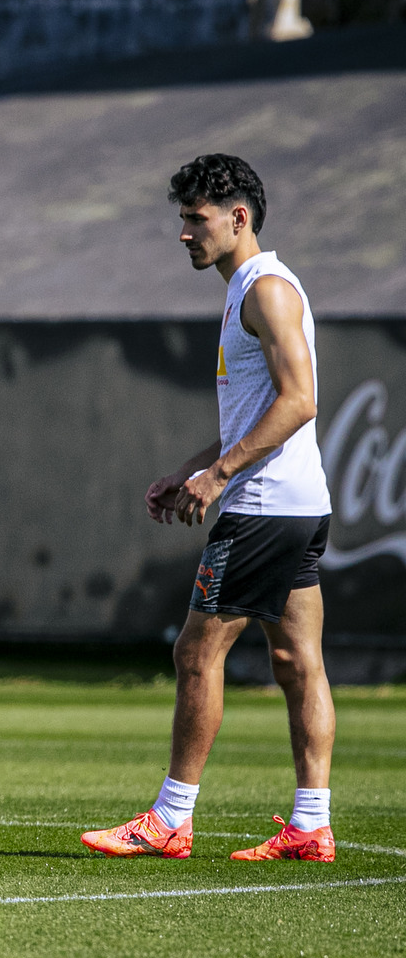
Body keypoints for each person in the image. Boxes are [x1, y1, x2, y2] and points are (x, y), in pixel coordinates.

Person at [84, 154, 336, 863]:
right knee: (296, 659)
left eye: (196, 220)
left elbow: (300, 401)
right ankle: (311, 826)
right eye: (183, 220)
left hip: (262, 508)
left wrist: (220, 475)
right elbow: (259, 409)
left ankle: (169, 819)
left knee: (197, 651)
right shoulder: (245, 291)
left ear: (238, 218)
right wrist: (191, 469)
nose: (185, 234)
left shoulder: (267, 290)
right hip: (295, 505)